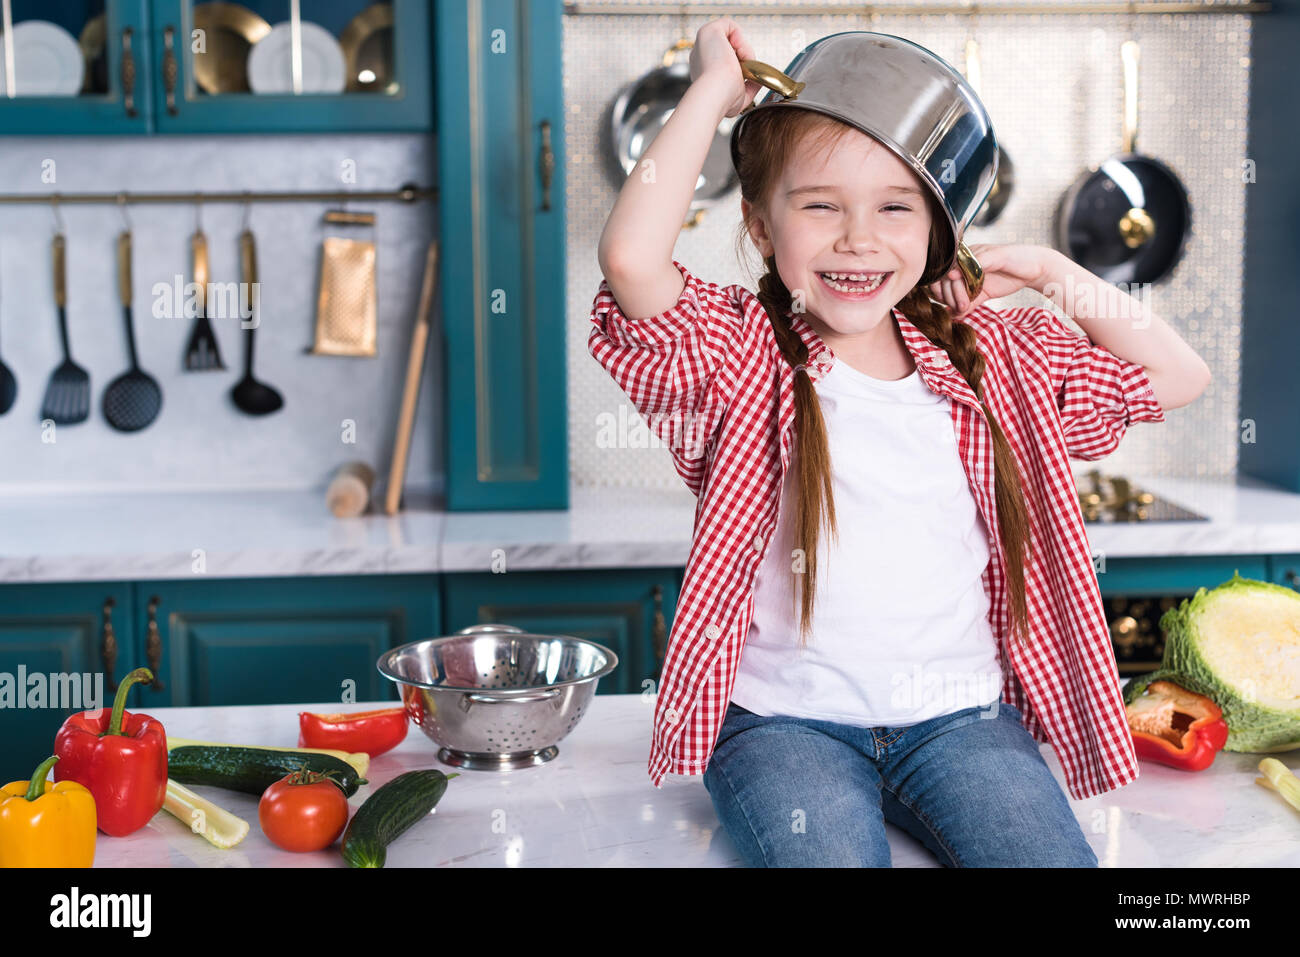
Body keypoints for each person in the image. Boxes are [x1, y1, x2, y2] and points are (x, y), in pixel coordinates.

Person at [588, 19, 1212, 867]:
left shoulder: (995, 353)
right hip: (785, 729)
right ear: (763, 228)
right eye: (820, 206)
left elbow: (1178, 375)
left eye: (895, 207)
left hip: (964, 722)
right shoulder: (740, 353)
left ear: (936, 228)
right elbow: (630, 259)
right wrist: (708, 91)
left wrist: (1044, 267)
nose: (858, 237)